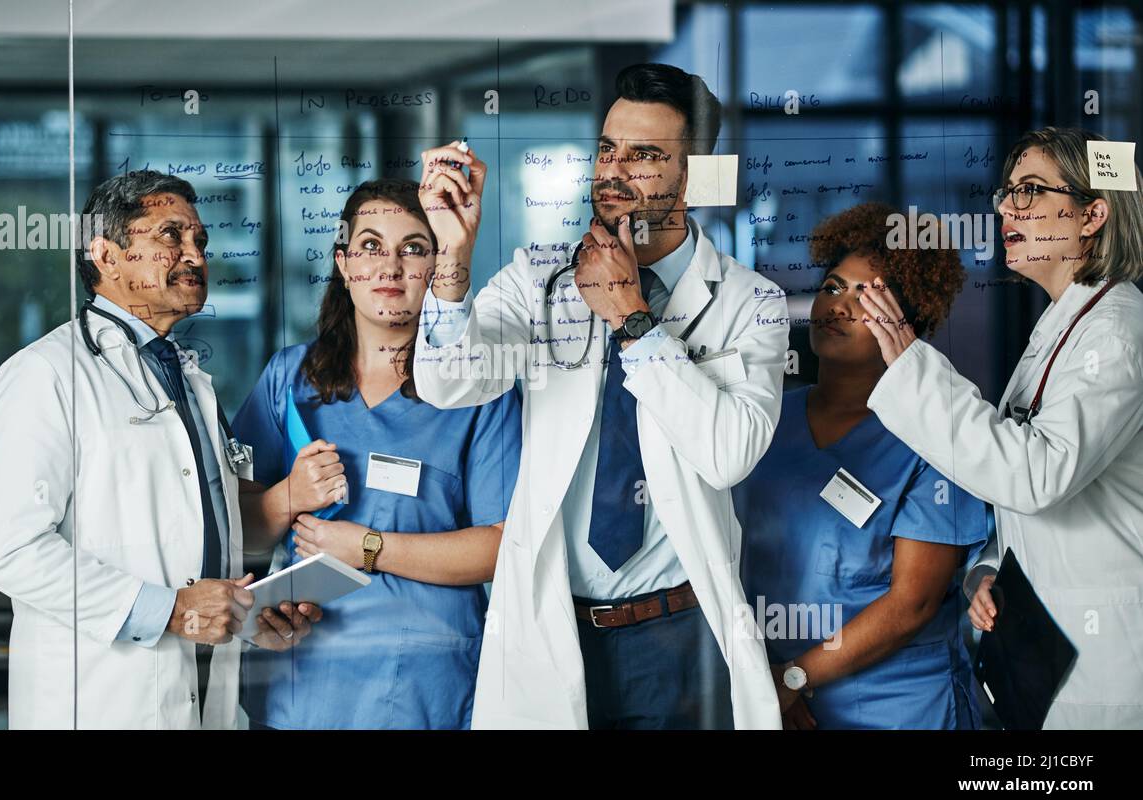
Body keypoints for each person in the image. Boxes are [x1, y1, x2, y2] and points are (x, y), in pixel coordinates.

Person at [413, 63, 789, 729]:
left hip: (677, 638)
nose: (613, 170)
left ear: (695, 174)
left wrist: (633, 322)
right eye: (607, 149)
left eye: (644, 155)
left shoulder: (748, 301)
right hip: (555, 625)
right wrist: (451, 259)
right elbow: (448, 380)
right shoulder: (540, 275)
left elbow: (729, 452)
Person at [0, 171, 316, 729]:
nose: (193, 255)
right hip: (101, 700)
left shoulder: (187, 380)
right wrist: (172, 611)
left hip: (204, 694)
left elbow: (189, 535)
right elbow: (9, 550)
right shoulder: (46, 374)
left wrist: (250, 621)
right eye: (169, 236)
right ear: (106, 255)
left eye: (199, 241)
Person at [859, 126, 1143, 729]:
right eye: (1008, 191)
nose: (1008, 207)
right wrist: (989, 566)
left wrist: (915, 369)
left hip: (1104, 664)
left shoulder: (1116, 331)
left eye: (1033, 190)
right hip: (1042, 651)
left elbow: (1037, 475)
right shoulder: (1066, 323)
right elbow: (1040, 480)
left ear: (1093, 213)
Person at [232, 179, 521, 729]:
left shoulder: (481, 387)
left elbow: (501, 547)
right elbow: (239, 533)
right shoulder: (288, 380)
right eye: (370, 246)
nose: (389, 268)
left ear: (437, 267)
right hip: (304, 680)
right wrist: (288, 497)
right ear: (344, 265)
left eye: (413, 248)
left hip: (424, 684)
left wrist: (366, 547)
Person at [733, 202, 989, 729]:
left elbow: (910, 606)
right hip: (774, 699)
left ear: (907, 325)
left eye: (866, 297)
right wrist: (764, 682)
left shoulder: (930, 438)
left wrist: (792, 679)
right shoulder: (764, 421)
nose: (838, 307)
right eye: (832, 287)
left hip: (898, 707)